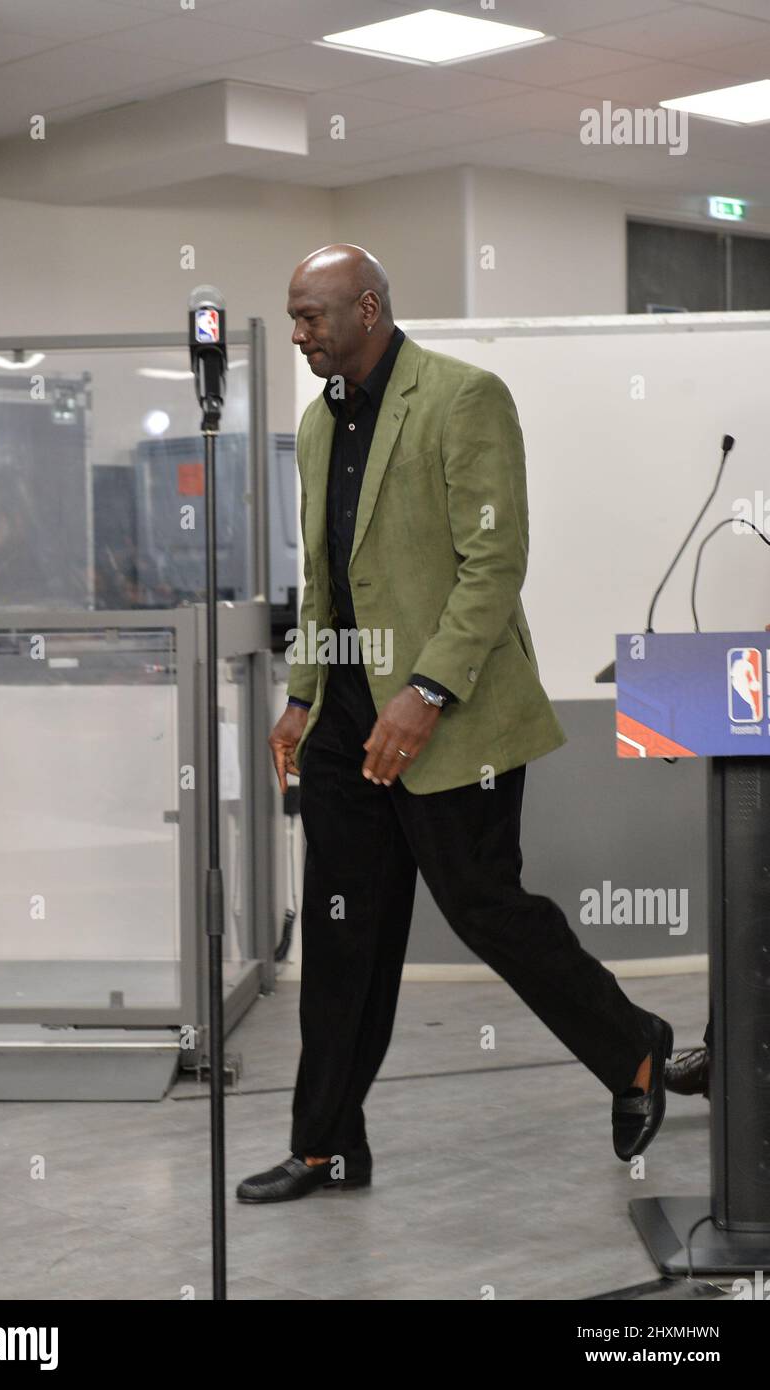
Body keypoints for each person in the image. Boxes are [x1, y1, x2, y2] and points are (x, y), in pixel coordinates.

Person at [237, 244, 673, 1204]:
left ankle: (632, 1045)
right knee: (342, 930)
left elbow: (494, 563)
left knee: (484, 908)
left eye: (312, 316)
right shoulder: (316, 426)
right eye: (293, 317)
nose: (300, 333)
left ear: (367, 306)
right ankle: (324, 1147)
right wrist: (305, 695)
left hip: (447, 713)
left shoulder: (462, 397)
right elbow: (324, 583)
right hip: (346, 720)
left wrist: (424, 691)